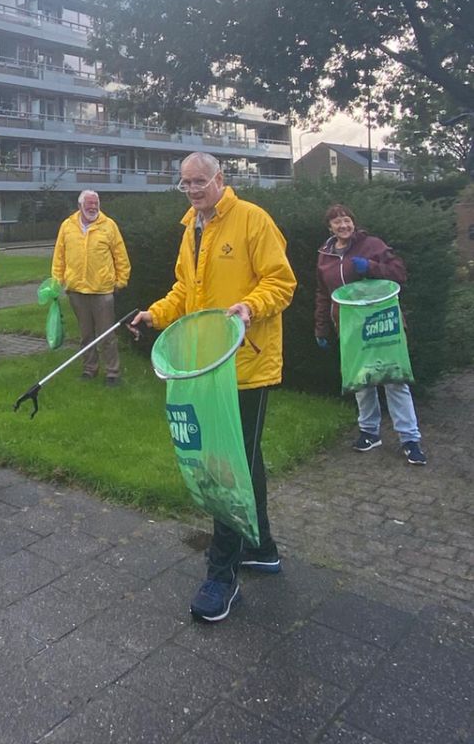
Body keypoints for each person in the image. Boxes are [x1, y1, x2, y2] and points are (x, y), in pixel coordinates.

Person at [130, 153, 296, 624]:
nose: (193, 190)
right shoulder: (192, 229)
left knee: (227, 465)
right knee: (245, 458)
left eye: (200, 181)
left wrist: (250, 306)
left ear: (221, 179)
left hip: (246, 365)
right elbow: (186, 289)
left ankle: (221, 577)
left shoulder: (253, 220)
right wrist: (156, 314)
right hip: (209, 366)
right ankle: (262, 548)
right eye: (185, 184)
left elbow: (282, 282)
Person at [315, 203, 426, 465]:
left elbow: (400, 273)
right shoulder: (324, 255)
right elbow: (322, 293)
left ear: (354, 222)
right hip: (350, 327)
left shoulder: (372, 245)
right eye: (337, 222)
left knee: (393, 379)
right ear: (329, 227)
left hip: (381, 322)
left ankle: (410, 439)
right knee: (361, 380)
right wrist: (321, 327)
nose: (343, 225)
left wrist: (373, 267)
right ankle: (369, 432)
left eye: (347, 220)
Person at [52, 190, 131, 385]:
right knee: (86, 335)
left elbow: (121, 255)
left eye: (96, 204)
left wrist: (121, 280)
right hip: (76, 290)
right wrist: (56, 281)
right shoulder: (67, 226)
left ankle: (112, 373)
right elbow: (59, 256)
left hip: (102, 290)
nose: (93, 207)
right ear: (80, 205)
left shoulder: (109, 225)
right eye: (89, 204)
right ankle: (89, 369)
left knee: (107, 335)